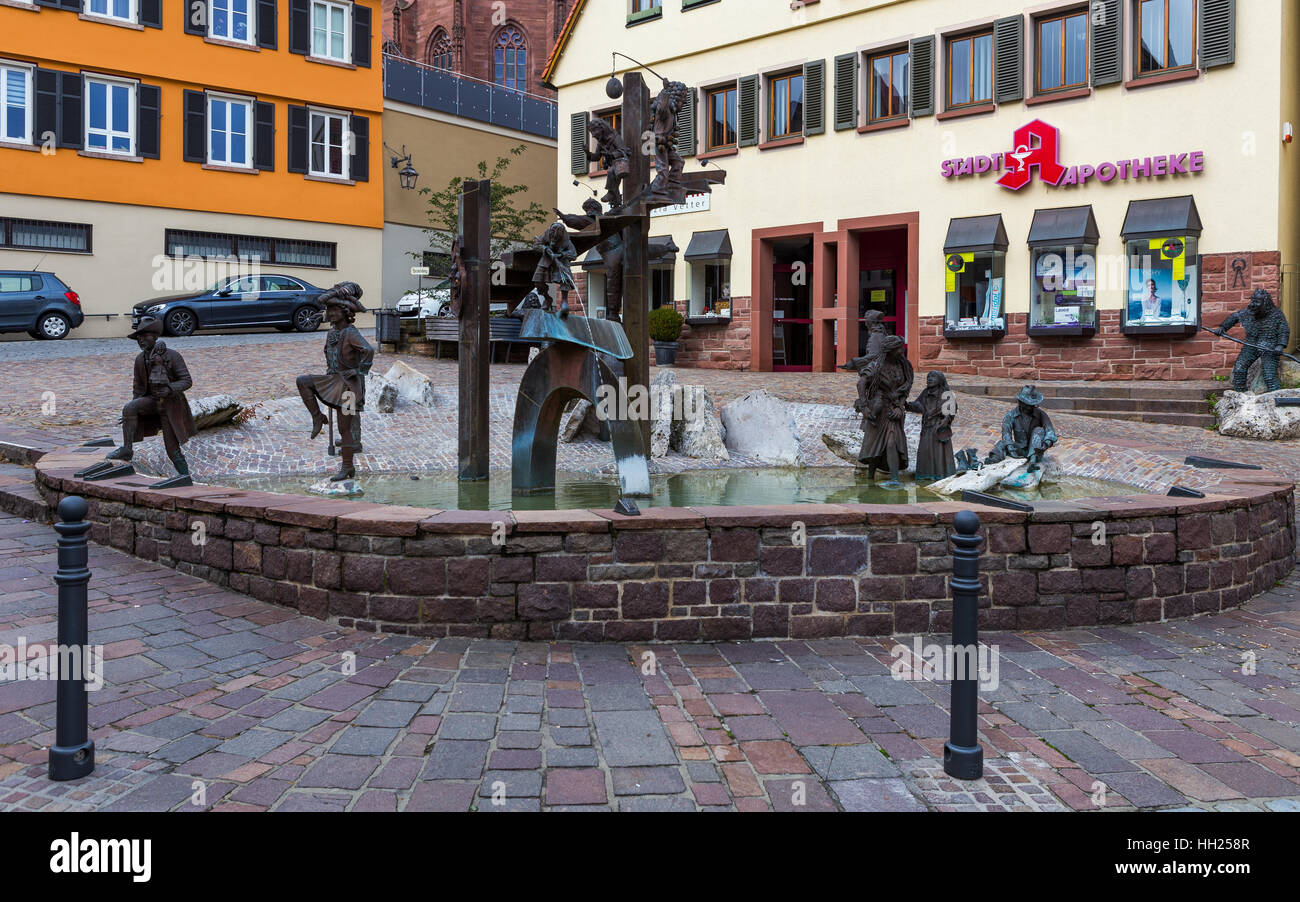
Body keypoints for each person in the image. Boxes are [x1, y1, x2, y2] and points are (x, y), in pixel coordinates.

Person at [296, 282, 374, 482]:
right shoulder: (332, 333)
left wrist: (358, 371)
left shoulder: (350, 332)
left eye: (333, 310)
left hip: (348, 389)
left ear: (344, 311)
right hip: (333, 381)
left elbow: (368, 350)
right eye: (328, 310)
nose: (329, 314)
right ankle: (317, 417)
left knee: (344, 429)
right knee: (303, 381)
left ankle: (347, 467)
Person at [105, 316, 198, 484]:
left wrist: (169, 388)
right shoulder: (140, 360)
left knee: (172, 448)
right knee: (129, 408)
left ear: (155, 336)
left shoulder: (172, 356)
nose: (141, 340)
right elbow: (138, 387)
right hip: (151, 402)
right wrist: (132, 412)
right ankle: (127, 449)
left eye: (144, 336)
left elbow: (187, 381)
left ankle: (185, 476)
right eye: (138, 337)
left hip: (170, 406)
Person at [857, 334, 914, 487]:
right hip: (878, 409)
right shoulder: (876, 365)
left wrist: (900, 407)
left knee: (892, 441)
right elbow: (861, 383)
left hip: (893, 411)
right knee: (874, 444)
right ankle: (870, 476)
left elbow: (905, 389)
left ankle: (895, 478)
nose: (901, 351)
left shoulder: (904, 366)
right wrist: (864, 406)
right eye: (898, 349)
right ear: (889, 350)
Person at [1216, 288, 1291, 392]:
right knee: (1239, 369)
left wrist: (1280, 345)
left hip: (1269, 347)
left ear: (1265, 303)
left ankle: (1276, 398)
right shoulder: (1248, 313)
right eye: (1252, 301)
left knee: (1269, 376)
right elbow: (1235, 316)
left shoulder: (1276, 315)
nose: (1252, 304)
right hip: (1251, 345)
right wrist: (1223, 328)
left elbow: (1284, 330)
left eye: (1256, 302)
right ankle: (1240, 396)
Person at [985, 385, 1057, 472]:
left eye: (1033, 404)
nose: (1031, 407)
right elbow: (1006, 433)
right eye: (1028, 404)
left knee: (1039, 430)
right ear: (1021, 403)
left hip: (1036, 451)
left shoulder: (1041, 414)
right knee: (1001, 443)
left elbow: (1050, 431)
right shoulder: (1010, 415)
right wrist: (1010, 447)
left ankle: (1032, 462)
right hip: (1019, 450)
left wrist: (1046, 444)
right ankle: (992, 462)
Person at [907, 371, 957, 480]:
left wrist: (946, 420)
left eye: (933, 377)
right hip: (927, 428)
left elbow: (951, 410)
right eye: (928, 377)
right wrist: (907, 405)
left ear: (940, 380)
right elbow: (918, 405)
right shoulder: (925, 393)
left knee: (939, 454)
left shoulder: (946, 394)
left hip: (938, 429)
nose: (929, 379)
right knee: (925, 452)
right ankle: (924, 475)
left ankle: (940, 476)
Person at [532, 220, 578, 317]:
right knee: (537, 281)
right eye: (552, 234)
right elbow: (536, 245)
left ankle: (564, 301)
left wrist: (561, 254)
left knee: (565, 280)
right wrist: (545, 249)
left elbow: (573, 254)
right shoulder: (546, 234)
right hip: (546, 260)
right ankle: (547, 298)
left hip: (561, 262)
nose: (554, 237)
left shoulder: (566, 241)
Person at [586, 117, 630, 209]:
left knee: (611, 172)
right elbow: (597, 157)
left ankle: (611, 193)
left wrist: (611, 155)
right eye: (591, 133)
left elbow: (624, 151)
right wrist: (588, 153)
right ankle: (616, 202)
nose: (593, 135)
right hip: (613, 166)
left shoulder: (614, 138)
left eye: (594, 131)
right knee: (614, 184)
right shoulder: (600, 143)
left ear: (601, 128)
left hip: (620, 163)